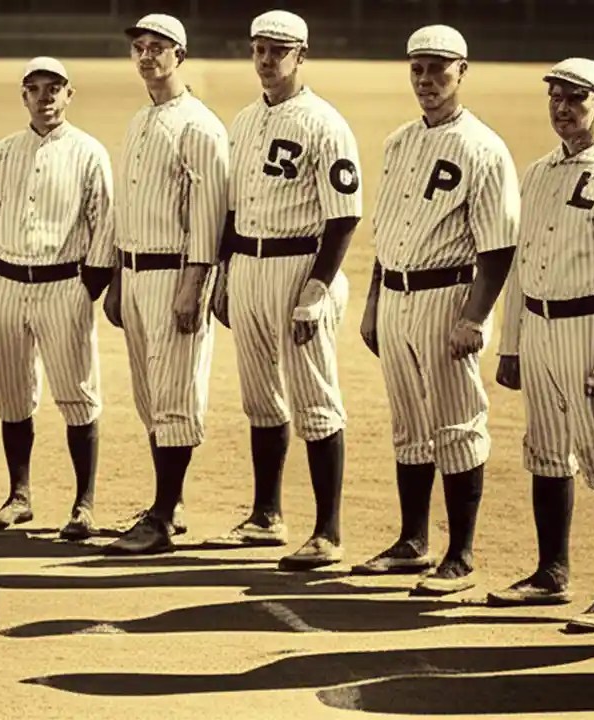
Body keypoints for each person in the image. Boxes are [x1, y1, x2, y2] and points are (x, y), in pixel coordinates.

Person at [488, 58, 594, 630]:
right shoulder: (536, 172)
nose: (563, 107)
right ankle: (551, 573)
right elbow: (521, 262)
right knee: (544, 448)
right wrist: (510, 343)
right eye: (556, 97)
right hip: (539, 325)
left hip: (593, 329)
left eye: (576, 98)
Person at [354, 25, 519, 595]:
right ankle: (412, 542)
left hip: (448, 297)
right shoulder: (400, 141)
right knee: (409, 427)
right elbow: (387, 232)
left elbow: (498, 247)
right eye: (418, 69)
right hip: (397, 296)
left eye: (438, 69)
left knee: (456, 425)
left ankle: (461, 553)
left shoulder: (483, 147)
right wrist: (375, 301)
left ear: (462, 71)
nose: (427, 80)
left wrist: (474, 317)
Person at [205, 10, 361, 571]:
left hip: (299, 264)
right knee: (259, 398)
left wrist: (318, 286)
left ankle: (328, 532)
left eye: (279, 51)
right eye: (260, 50)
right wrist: (224, 272)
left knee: (315, 399)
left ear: (301, 55)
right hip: (248, 263)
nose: (267, 60)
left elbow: (344, 217)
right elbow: (230, 208)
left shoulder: (325, 123)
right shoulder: (244, 120)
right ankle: (266, 516)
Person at [0, 57, 115, 540]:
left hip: (63, 286)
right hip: (6, 286)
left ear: (70, 94)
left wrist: (87, 286)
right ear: (23, 95)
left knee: (77, 396)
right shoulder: (2, 152)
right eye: (36, 88)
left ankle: (83, 504)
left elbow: (104, 223)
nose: (46, 97)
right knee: (11, 397)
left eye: (55, 88)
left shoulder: (89, 152)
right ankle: (19, 496)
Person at [101, 14, 229, 554]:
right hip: (134, 274)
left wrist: (195, 283)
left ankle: (161, 517)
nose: (147, 55)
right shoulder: (140, 120)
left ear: (180, 55)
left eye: (158, 47)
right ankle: (166, 507)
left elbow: (209, 212)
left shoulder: (199, 125)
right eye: (140, 47)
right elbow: (123, 208)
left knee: (176, 398)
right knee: (150, 399)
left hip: (175, 272)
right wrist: (114, 278)